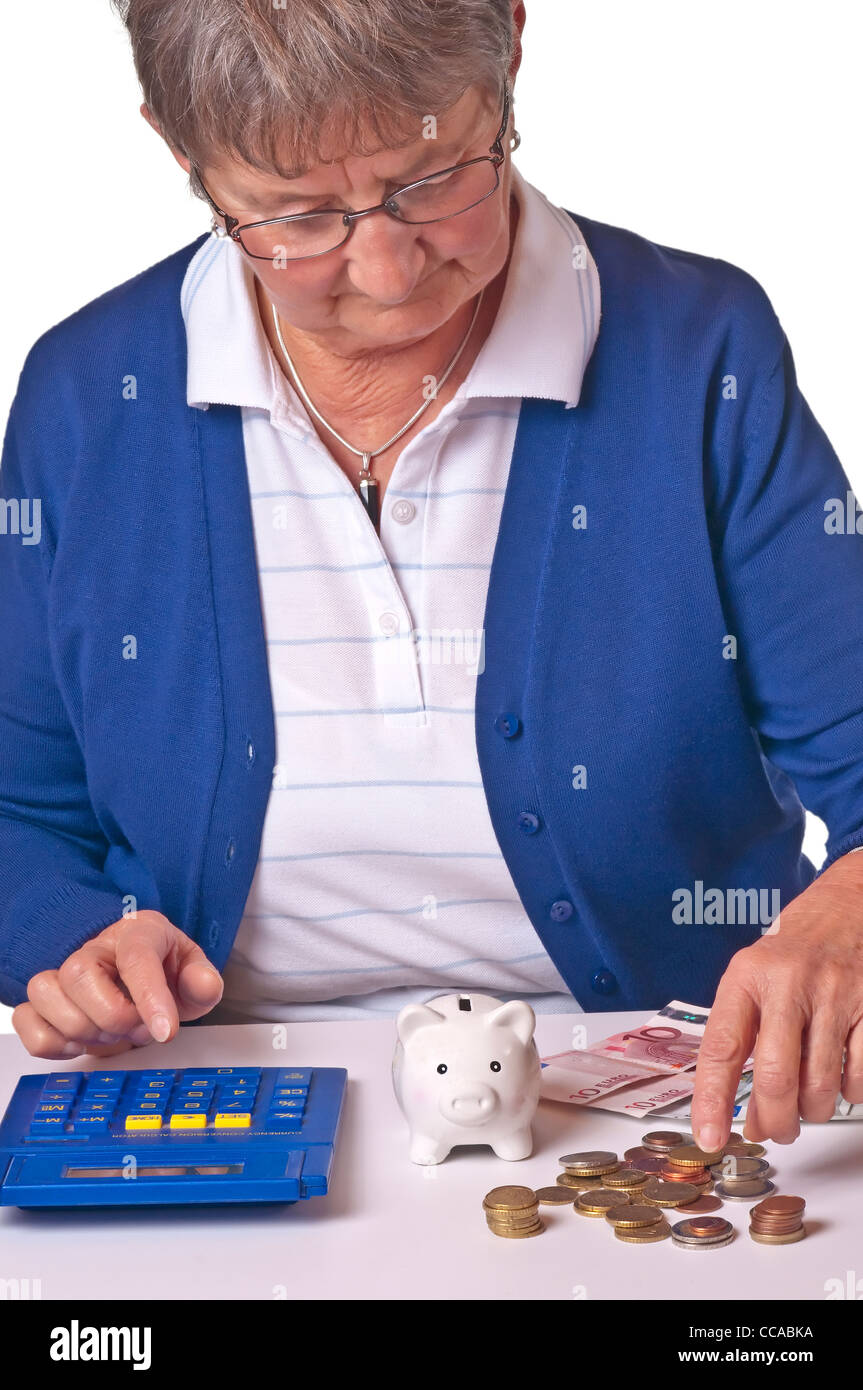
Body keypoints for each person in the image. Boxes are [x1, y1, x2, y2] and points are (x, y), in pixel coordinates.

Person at [1, 0, 862, 1154]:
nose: (389, 268)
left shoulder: (697, 347)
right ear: (179, 150)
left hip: (662, 1112)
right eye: (296, 216)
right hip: (223, 1095)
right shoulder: (82, 393)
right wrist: (73, 933)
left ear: (510, 44)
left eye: (433, 177)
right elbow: (17, 806)